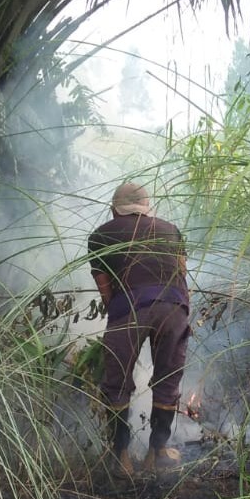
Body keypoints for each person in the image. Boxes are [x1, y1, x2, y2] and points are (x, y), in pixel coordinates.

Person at [88, 182, 190, 477]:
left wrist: (121, 317)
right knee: (168, 379)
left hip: (129, 309)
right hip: (174, 306)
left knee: (117, 383)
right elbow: (182, 277)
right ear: (148, 209)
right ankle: (158, 451)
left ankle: (121, 456)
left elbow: (107, 293)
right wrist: (181, 315)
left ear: (113, 209)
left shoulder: (100, 236)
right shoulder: (171, 230)